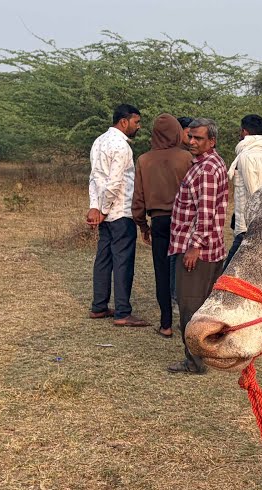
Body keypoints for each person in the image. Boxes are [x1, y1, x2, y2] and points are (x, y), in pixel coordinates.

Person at [167, 118, 228, 375]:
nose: (192, 142)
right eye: (191, 136)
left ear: (211, 141)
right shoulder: (208, 163)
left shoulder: (206, 169)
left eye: (199, 138)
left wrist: (194, 247)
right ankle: (206, 356)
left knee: (191, 308)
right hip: (208, 247)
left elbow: (205, 213)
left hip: (199, 251)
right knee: (204, 306)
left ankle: (195, 362)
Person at [133, 115, 193, 338]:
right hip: (184, 220)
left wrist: (142, 225)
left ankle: (165, 324)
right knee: (184, 272)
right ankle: (188, 324)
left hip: (158, 221)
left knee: (161, 272)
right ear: (178, 132)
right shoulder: (187, 157)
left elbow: (138, 199)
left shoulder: (144, 160)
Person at [87, 103, 147, 326]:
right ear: (124, 121)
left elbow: (94, 177)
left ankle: (99, 306)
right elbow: (114, 183)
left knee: (103, 259)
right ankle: (123, 312)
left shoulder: (99, 141)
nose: (138, 126)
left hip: (106, 212)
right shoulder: (122, 146)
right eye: (136, 122)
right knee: (123, 262)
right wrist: (102, 210)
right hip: (120, 211)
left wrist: (96, 207)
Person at [226, 114, 262, 267]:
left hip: (248, 227)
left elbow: (254, 195)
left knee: (227, 274)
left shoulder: (246, 156)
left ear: (244, 132)